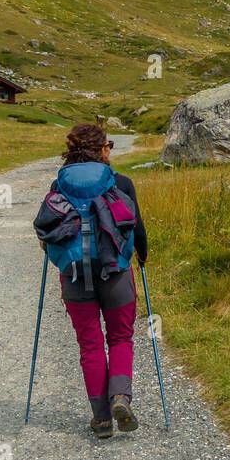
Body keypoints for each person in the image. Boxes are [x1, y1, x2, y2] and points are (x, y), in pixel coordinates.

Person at [37, 123, 149, 438]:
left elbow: (48, 232)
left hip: (74, 277)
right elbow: (137, 230)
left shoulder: (58, 185)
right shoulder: (121, 183)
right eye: (108, 145)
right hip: (115, 274)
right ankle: (120, 397)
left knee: (90, 344)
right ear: (102, 149)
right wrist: (142, 256)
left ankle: (101, 419)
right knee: (120, 338)